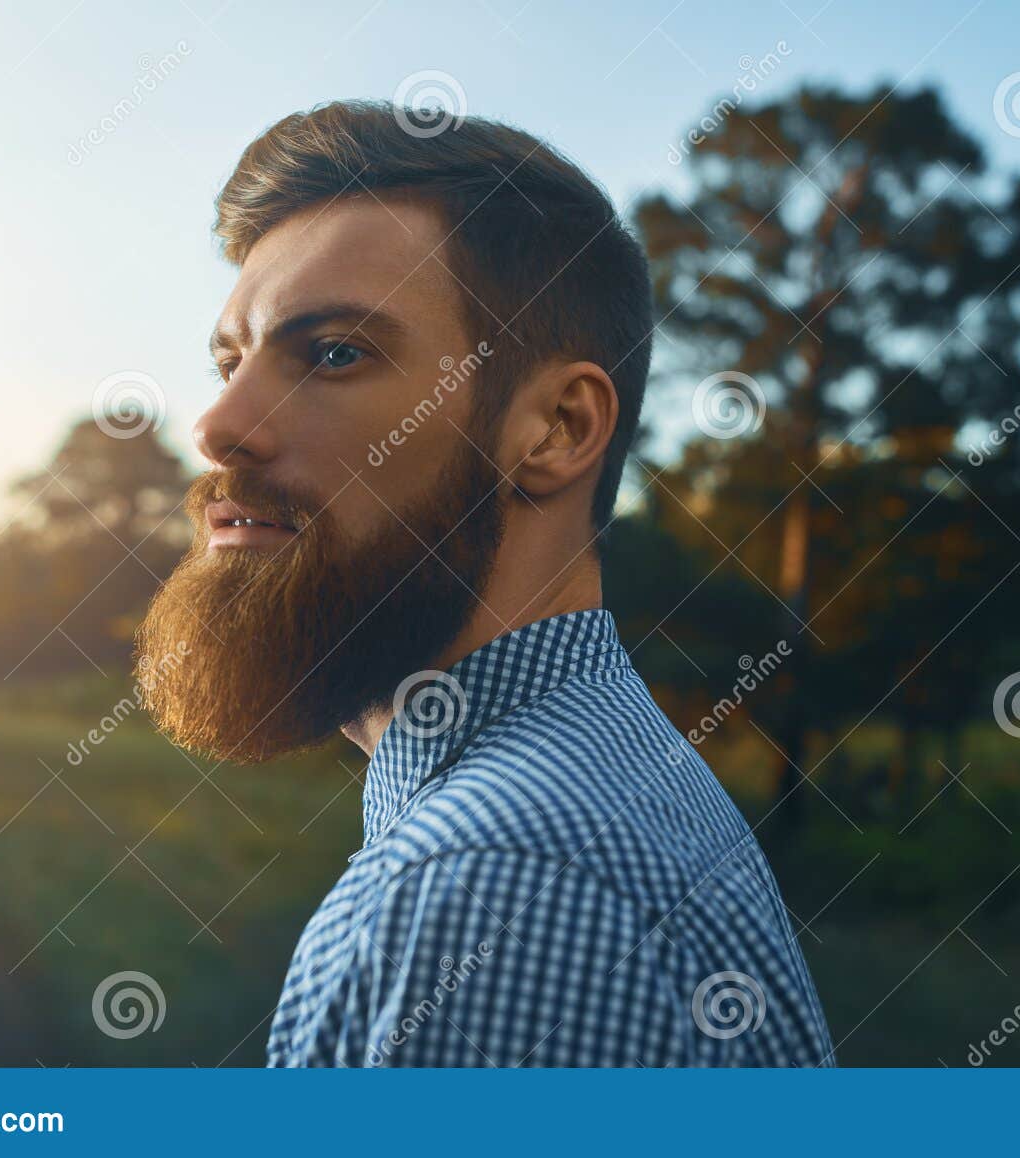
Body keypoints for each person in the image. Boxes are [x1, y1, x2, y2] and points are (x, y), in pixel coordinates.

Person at [136, 99, 833, 1067]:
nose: (216, 426)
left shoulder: (492, 880)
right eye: (229, 359)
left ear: (555, 430)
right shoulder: (612, 776)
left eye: (334, 353)